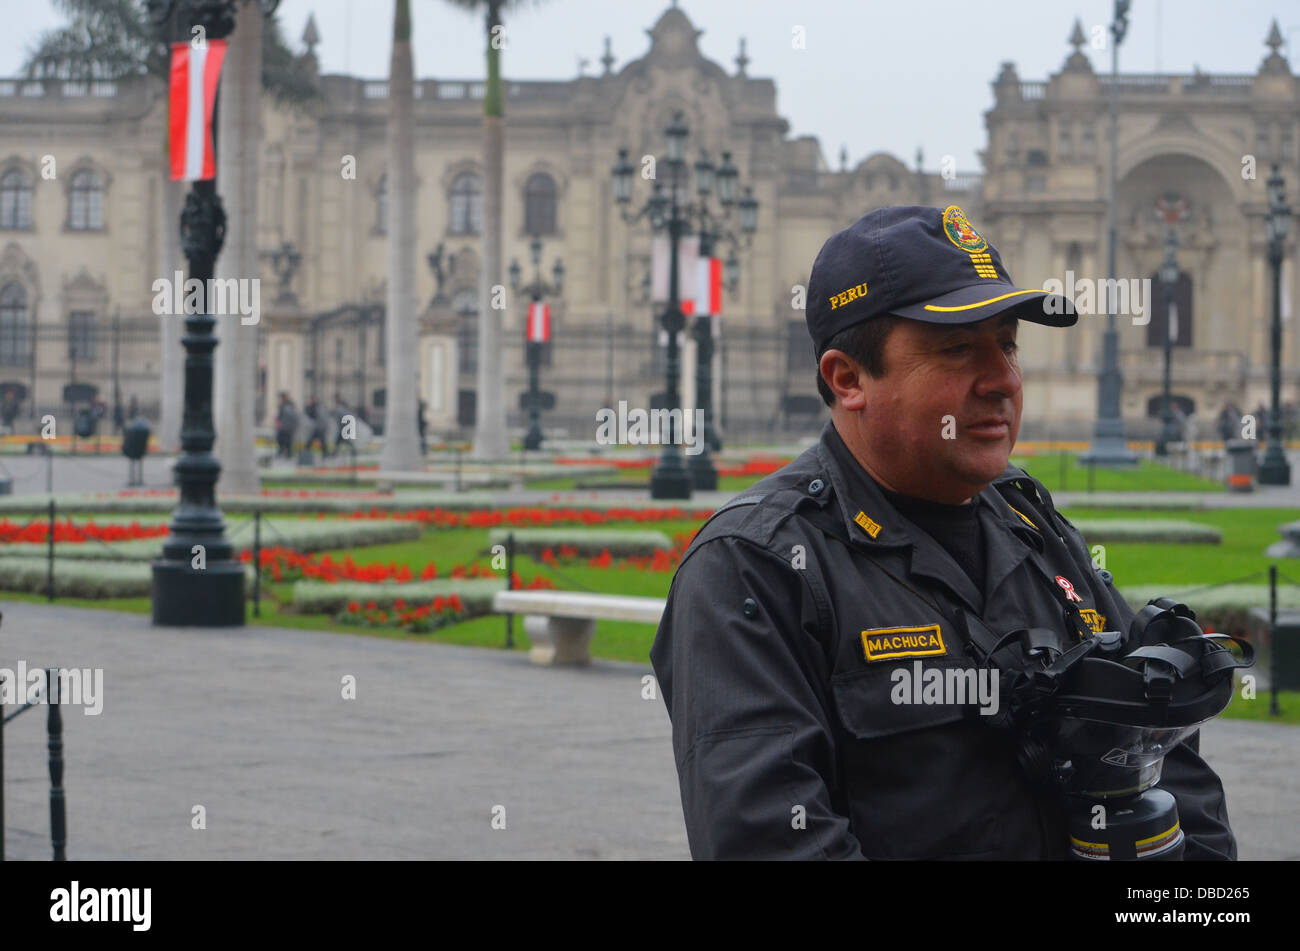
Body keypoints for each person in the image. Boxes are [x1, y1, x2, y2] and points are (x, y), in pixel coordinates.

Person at [651, 205, 1237, 860]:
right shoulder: (756, 566)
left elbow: (1172, 767)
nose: (1003, 380)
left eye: (1007, 344)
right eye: (958, 348)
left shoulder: (1033, 528)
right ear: (848, 379)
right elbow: (773, 842)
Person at [275, 392, 297, 459]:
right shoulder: (282, 405)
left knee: (288, 441)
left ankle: (289, 454)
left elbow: (291, 416)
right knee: (280, 439)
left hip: (289, 426)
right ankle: (282, 451)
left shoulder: (289, 405)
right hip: (283, 426)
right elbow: (280, 415)